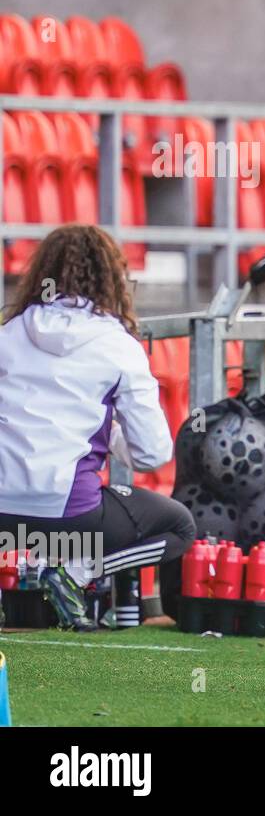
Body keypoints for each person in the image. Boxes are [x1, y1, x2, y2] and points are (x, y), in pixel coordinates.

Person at [0, 225, 194, 631]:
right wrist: (112, 437)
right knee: (179, 526)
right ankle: (73, 573)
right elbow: (153, 453)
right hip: (72, 519)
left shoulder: (7, 333)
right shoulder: (118, 343)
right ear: (112, 278)